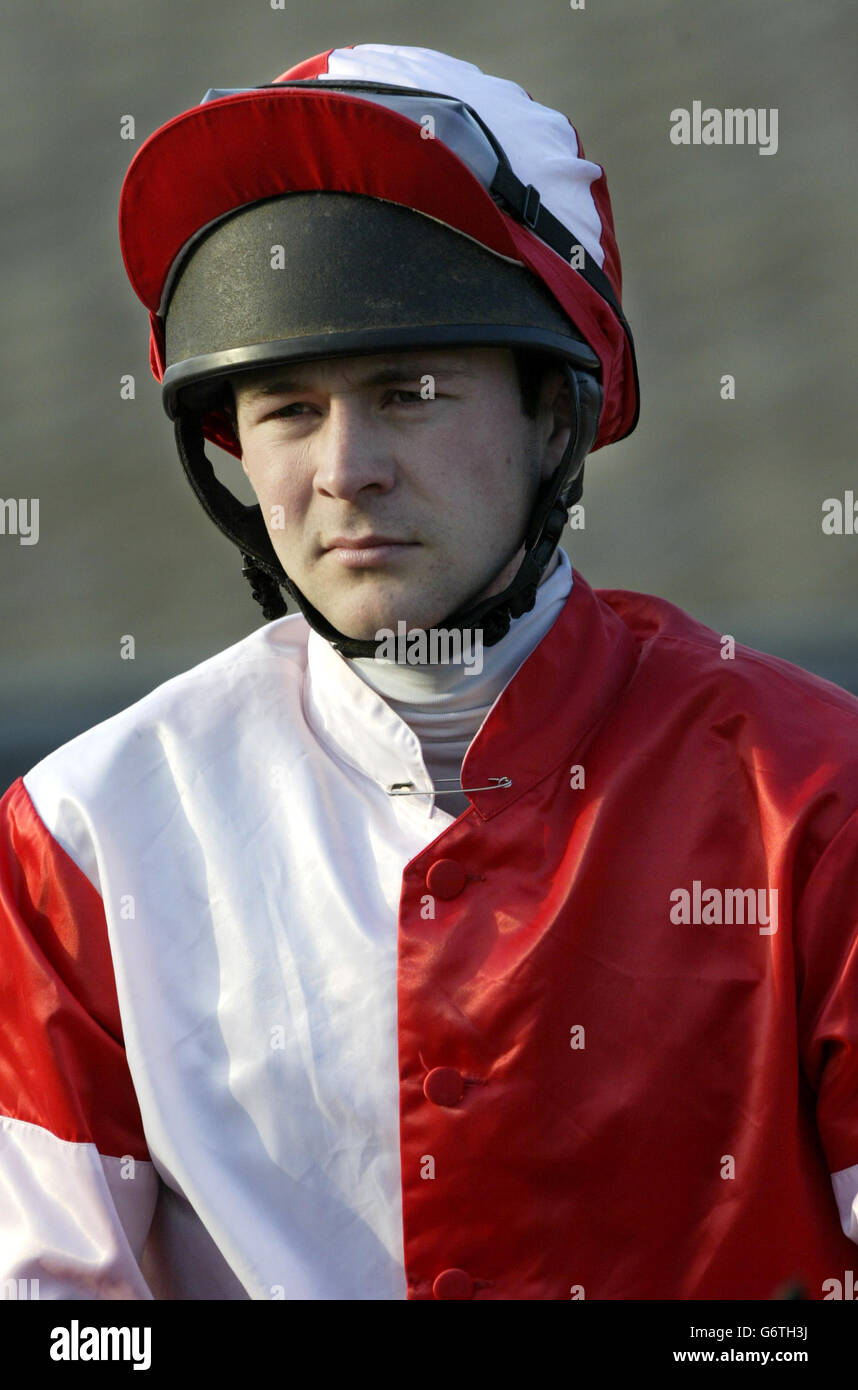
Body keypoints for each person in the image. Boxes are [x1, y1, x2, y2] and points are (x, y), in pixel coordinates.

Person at [0, 41, 856, 1303]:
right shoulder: (78, 840)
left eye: (407, 390)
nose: (344, 470)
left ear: (552, 418)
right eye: (287, 408)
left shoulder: (818, 794)